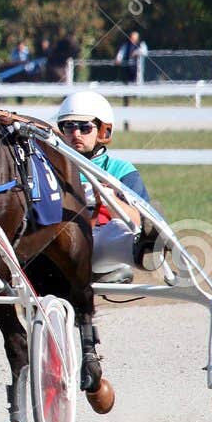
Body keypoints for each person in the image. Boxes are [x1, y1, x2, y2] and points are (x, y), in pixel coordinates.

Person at [55, 90, 152, 281]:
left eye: (84, 127)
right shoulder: (52, 167)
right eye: (69, 127)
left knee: (117, 231)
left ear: (103, 131)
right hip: (61, 244)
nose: (75, 134)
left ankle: (146, 251)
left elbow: (138, 222)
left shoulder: (120, 170)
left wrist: (109, 197)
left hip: (101, 244)